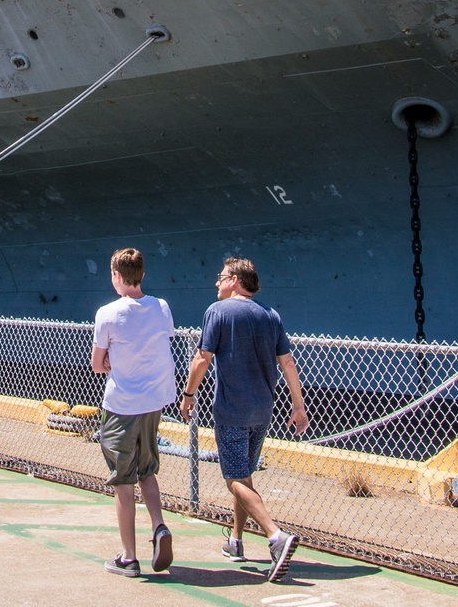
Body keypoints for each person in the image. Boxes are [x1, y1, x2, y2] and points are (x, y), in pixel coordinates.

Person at [179, 257, 308, 583]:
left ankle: (275, 536)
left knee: (233, 478)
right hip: (262, 409)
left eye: (221, 277)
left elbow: (202, 358)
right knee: (245, 475)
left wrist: (188, 393)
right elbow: (288, 362)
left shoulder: (217, 312)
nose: (216, 283)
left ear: (235, 280)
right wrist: (299, 406)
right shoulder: (270, 315)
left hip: (232, 409)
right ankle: (236, 541)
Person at [90, 248, 177, 577]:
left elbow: (97, 364)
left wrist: (113, 359)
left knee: (123, 482)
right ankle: (159, 526)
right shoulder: (161, 307)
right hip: (154, 402)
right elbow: (158, 343)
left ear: (116, 275)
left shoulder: (107, 313)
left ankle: (129, 557)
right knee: (147, 470)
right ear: (142, 274)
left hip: (122, 405)